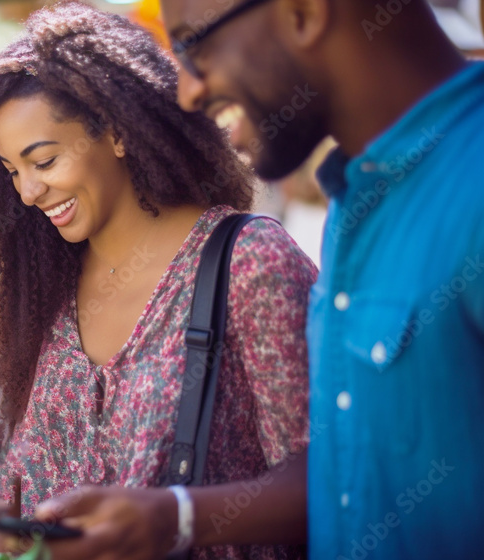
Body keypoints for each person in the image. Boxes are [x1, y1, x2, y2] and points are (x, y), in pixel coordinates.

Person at [0, 3, 316, 558]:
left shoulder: (249, 261)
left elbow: (326, 475)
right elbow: (13, 479)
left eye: (44, 161)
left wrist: (181, 519)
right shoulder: (47, 286)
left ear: (118, 133)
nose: (27, 193)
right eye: (12, 172)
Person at [158, 0, 484, 558]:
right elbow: (356, 469)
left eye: (192, 47)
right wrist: (175, 518)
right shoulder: (354, 199)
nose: (187, 92)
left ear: (304, 12)